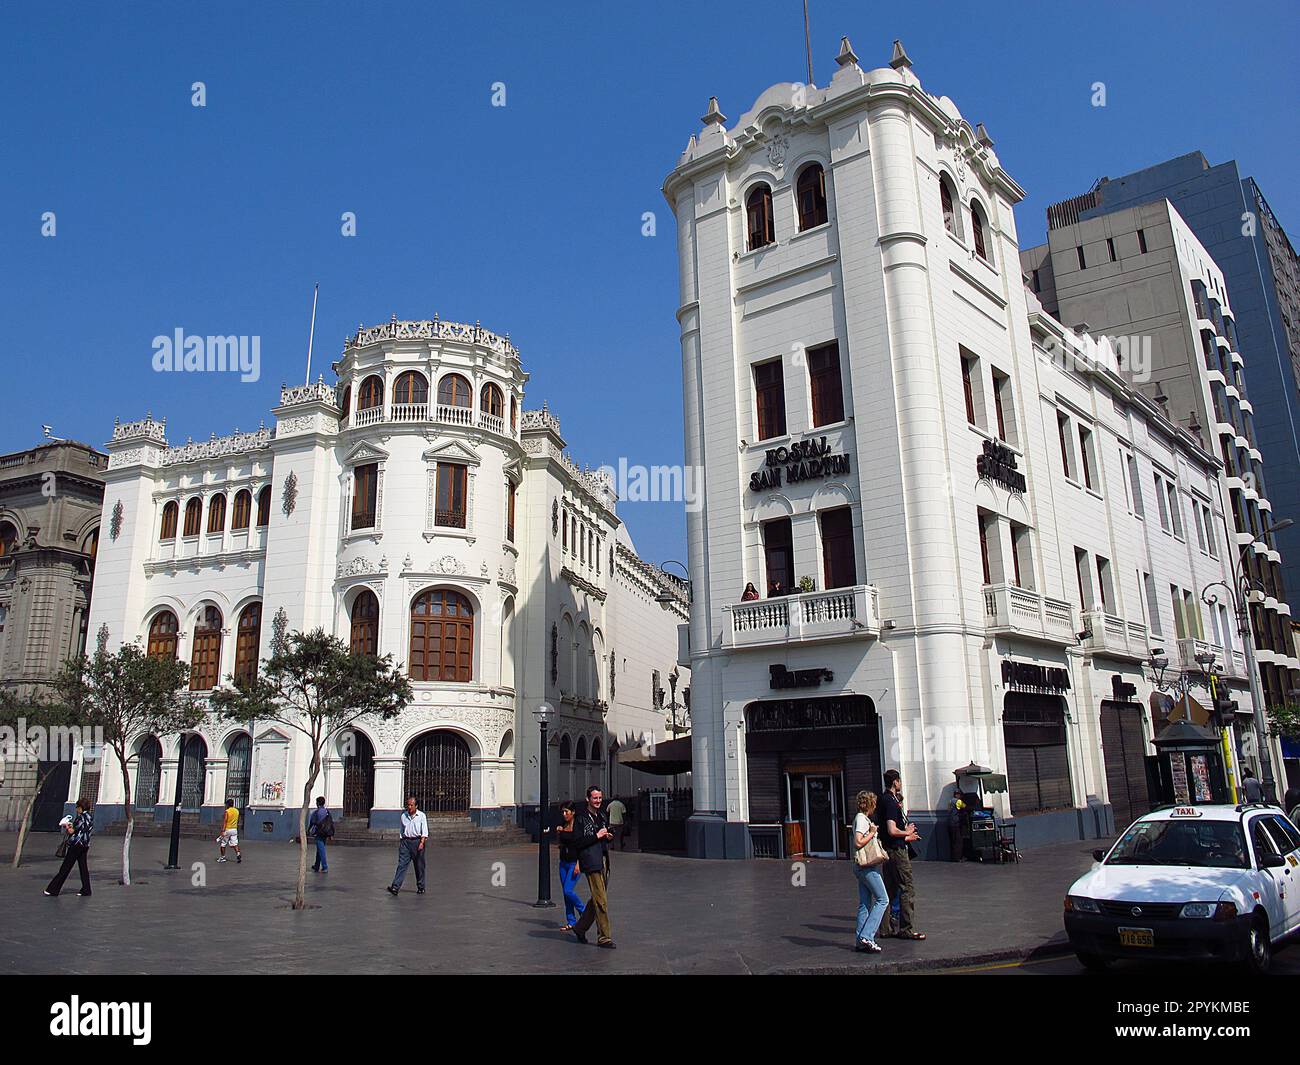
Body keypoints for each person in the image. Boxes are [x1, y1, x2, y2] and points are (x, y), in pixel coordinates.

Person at [877, 769, 925, 940]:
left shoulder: (883, 799)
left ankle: (885, 928)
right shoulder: (890, 801)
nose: (901, 784)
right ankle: (906, 929)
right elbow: (891, 829)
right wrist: (907, 833)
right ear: (895, 782)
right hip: (897, 850)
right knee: (907, 888)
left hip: (887, 850)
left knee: (889, 890)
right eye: (899, 781)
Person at [569, 786, 616, 948]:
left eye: (600, 798)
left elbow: (605, 835)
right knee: (601, 901)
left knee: (597, 898)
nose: (598, 801)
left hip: (603, 859)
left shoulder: (602, 816)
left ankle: (580, 928)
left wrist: (608, 836)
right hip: (590, 861)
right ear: (588, 799)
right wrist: (597, 836)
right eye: (595, 798)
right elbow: (577, 842)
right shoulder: (581, 819)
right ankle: (604, 937)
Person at [851, 791, 889, 954]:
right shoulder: (861, 819)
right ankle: (868, 935)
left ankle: (861, 941)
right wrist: (873, 832)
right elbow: (858, 842)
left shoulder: (862, 819)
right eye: (874, 804)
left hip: (861, 866)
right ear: (870, 804)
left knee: (865, 904)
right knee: (883, 899)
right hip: (867, 867)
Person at [548, 801, 586, 932]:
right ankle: (571, 921)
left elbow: (581, 845)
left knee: (568, 890)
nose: (564, 814)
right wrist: (560, 832)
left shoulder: (578, 825)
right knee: (566, 894)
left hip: (574, 863)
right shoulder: (563, 824)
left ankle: (584, 911)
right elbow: (562, 843)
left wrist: (579, 864)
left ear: (573, 812)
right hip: (563, 862)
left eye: (566, 812)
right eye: (563, 812)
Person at [45, 799, 93, 897]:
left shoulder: (81, 818)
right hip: (85, 845)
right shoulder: (90, 817)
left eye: (77, 807)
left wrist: (66, 826)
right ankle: (86, 889)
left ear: (80, 807)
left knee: (65, 868)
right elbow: (82, 829)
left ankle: (53, 889)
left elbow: (72, 831)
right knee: (83, 868)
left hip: (76, 845)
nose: (76, 809)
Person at [387, 796, 428, 895]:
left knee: (419, 866)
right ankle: (395, 887)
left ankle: (421, 886)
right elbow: (402, 829)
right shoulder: (403, 816)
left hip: (417, 842)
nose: (409, 807)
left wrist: (422, 843)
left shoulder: (421, 816)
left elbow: (425, 831)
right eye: (408, 805)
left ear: (416, 806)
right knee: (402, 865)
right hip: (405, 843)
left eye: (411, 805)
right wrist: (401, 841)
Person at [308, 796, 332, 872]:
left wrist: (308, 830)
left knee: (321, 849)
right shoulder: (327, 811)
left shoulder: (316, 812)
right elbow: (331, 822)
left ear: (318, 803)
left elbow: (312, 822)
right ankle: (316, 865)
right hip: (325, 832)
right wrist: (331, 834)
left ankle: (325, 867)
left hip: (319, 832)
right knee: (319, 849)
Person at [217, 798, 242, 863]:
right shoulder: (237, 811)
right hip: (234, 829)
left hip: (228, 829)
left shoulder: (227, 811)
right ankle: (238, 853)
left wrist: (222, 831)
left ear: (227, 804)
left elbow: (225, 821)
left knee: (223, 844)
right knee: (235, 843)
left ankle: (223, 857)